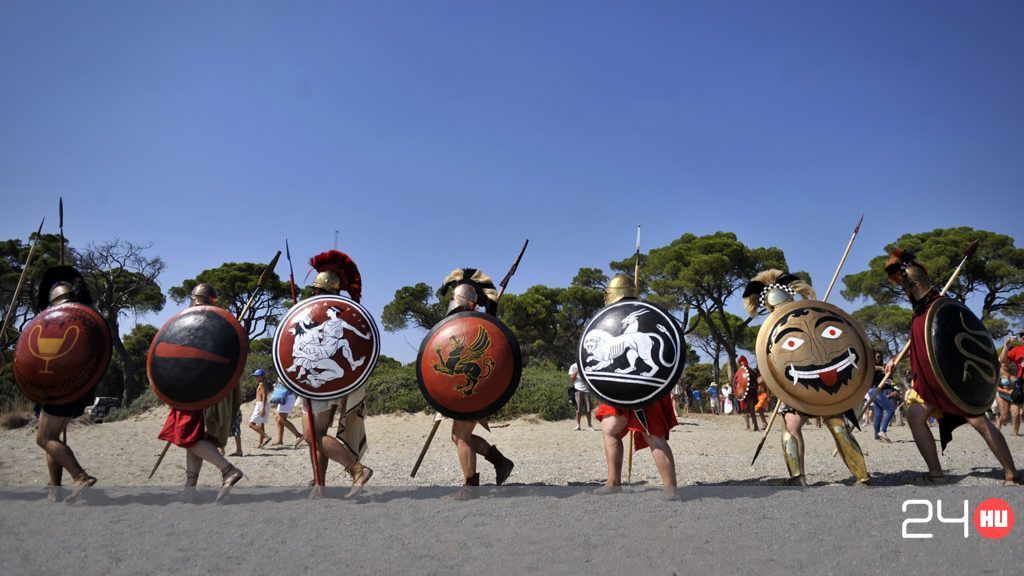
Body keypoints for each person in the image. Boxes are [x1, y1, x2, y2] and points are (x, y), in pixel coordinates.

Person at [883, 249, 1019, 485]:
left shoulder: (943, 309)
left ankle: (1011, 473)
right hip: (929, 384)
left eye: (906, 288)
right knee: (915, 415)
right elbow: (921, 346)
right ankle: (936, 473)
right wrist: (895, 360)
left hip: (955, 382)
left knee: (979, 421)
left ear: (914, 284)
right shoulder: (919, 315)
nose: (905, 293)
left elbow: (960, 347)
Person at [743, 270, 869, 486]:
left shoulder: (813, 314)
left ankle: (856, 476)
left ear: (769, 307)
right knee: (820, 426)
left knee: (802, 427)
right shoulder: (783, 327)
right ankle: (853, 477)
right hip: (800, 386)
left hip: (815, 384)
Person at [593, 274, 678, 500]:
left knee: (653, 436)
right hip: (622, 387)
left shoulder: (645, 316)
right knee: (610, 429)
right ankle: (613, 482)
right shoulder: (612, 319)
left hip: (644, 388)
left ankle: (671, 490)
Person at [156, 283, 243, 502]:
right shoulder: (215, 321)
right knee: (193, 438)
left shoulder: (217, 323)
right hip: (198, 390)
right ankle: (189, 488)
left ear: (194, 298)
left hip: (197, 393)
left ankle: (228, 470)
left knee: (185, 435)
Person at [301, 250, 373, 499]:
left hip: (320, 379)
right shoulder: (330, 312)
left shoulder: (332, 313)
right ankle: (319, 486)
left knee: (312, 435)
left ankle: (357, 469)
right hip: (324, 378)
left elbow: (356, 335)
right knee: (318, 434)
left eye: (317, 291)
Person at [437, 268, 515, 500]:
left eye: (455, 297)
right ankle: (501, 462)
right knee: (460, 436)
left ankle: (471, 487)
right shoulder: (460, 326)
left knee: (460, 435)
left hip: (476, 390)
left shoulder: (479, 326)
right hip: (463, 389)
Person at [30, 267, 100, 503]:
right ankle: (55, 490)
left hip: (59, 389)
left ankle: (80, 477)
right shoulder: (84, 319)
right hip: (66, 389)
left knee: (44, 438)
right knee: (52, 439)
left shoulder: (75, 323)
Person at [997, 332, 1024, 436]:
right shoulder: (1017, 350)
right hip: (1003, 394)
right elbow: (1003, 359)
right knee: (1003, 416)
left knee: (1016, 414)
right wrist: (1006, 346)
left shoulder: (1013, 373)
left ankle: (1015, 435)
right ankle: (997, 432)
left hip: (1014, 391)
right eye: (1022, 335)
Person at [870, 350, 897, 443]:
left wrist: (889, 373)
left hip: (881, 391)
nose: (878, 358)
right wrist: (882, 368)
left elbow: (889, 382)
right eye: (876, 357)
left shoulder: (883, 369)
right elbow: (871, 368)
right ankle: (883, 431)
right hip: (874, 390)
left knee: (878, 414)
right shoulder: (870, 367)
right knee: (890, 410)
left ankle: (877, 436)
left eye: (879, 357)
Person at [271, 381, 303, 447]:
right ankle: (279, 440)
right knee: (277, 418)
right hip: (283, 395)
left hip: (288, 396)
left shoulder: (286, 372)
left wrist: (280, 383)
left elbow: (289, 383)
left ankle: (298, 435)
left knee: (281, 419)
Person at [248, 369, 270, 448]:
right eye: (255, 376)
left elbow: (264, 396)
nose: (256, 378)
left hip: (261, 404)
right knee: (261, 425)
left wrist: (263, 408)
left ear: (262, 376)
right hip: (262, 404)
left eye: (257, 376)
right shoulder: (263, 383)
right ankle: (260, 444)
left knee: (251, 424)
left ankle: (266, 436)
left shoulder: (261, 384)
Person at [569, 362, 594, 430]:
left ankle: (589, 425)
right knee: (578, 409)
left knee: (588, 409)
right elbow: (572, 378)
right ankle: (578, 425)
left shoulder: (587, 364)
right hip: (578, 389)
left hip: (587, 390)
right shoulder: (573, 366)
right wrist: (577, 371)